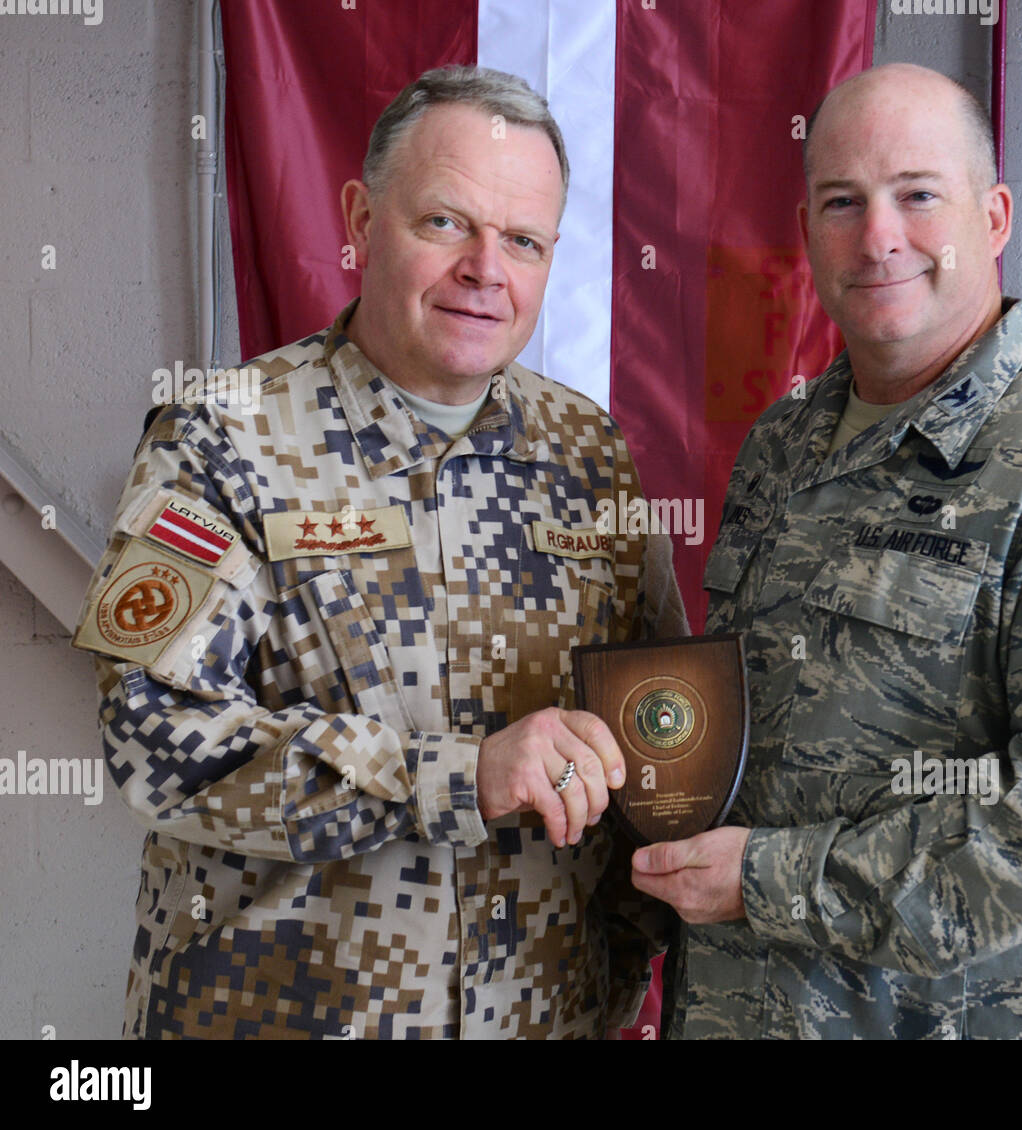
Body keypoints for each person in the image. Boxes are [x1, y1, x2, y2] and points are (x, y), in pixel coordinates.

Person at [71, 65, 686, 1039]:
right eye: (446, 222)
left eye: (522, 240)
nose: (487, 267)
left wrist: (623, 960)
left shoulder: (589, 455)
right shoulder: (219, 435)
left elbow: (656, 747)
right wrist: (459, 775)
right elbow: (155, 735)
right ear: (360, 220)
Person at [631, 63, 1022, 1039]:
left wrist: (769, 880)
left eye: (916, 196)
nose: (878, 236)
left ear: (991, 217)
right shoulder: (783, 445)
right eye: (841, 202)